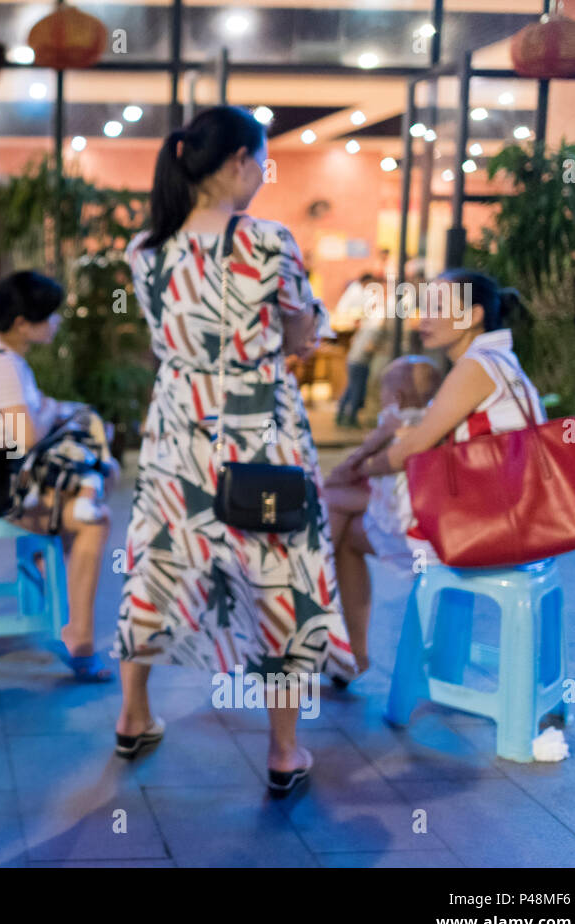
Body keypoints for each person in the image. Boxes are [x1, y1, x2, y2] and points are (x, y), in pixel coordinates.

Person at [116, 105, 357, 796]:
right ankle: (284, 751)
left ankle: (133, 714)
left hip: (176, 431)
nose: (260, 175)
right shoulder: (268, 241)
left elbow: (177, 334)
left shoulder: (144, 250)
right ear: (235, 165)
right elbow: (301, 335)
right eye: (260, 162)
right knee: (280, 571)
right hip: (259, 433)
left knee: (159, 561)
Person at [334, 270, 544, 668]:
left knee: (334, 513)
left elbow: (410, 450)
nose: (422, 320)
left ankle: (337, 649)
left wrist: (357, 469)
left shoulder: (476, 367)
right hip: (507, 512)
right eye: (422, 308)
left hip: (490, 526)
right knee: (338, 509)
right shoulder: (495, 360)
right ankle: (343, 652)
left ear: (474, 314)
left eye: (436, 308)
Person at [0, 271, 117, 682]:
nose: (56, 322)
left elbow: (32, 413)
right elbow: (28, 436)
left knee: (94, 484)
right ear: (23, 323)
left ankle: (46, 572)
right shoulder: (5, 367)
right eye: (49, 315)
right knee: (95, 519)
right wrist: (54, 413)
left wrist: (52, 411)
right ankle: (79, 639)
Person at [323, 355, 443, 675]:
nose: (380, 402)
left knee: (329, 498)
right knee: (343, 523)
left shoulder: (398, 420)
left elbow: (343, 474)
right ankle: (353, 654)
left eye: (382, 395)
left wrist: (372, 443)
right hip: (411, 512)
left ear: (398, 398)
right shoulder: (434, 417)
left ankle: (317, 582)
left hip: (401, 513)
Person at [334, 271, 390, 427]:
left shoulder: (372, 313)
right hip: (361, 358)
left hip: (355, 357)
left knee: (351, 387)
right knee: (357, 388)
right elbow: (370, 342)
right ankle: (350, 418)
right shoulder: (378, 314)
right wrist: (378, 348)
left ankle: (341, 415)